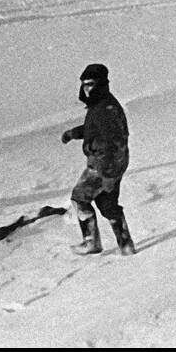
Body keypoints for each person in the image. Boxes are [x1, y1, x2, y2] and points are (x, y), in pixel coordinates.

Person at [60, 63, 135, 255]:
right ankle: (126, 245)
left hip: (103, 165)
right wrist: (73, 133)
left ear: (101, 84)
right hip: (113, 163)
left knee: (79, 199)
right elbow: (96, 130)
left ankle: (91, 241)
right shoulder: (101, 105)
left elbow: (113, 140)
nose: (87, 88)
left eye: (91, 84)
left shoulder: (103, 108)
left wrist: (108, 174)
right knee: (107, 204)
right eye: (84, 84)